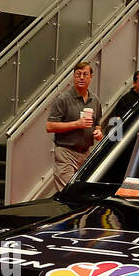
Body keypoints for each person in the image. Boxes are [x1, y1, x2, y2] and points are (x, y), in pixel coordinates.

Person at [46, 60, 103, 189]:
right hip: (66, 152)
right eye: (78, 74)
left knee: (83, 191)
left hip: (86, 153)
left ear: (90, 77)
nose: (81, 78)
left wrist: (98, 133)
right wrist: (76, 124)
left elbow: (97, 123)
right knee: (68, 192)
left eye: (85, 74)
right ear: (74, 76)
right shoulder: (63, 99)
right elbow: (50, 126)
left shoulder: (95, 100)